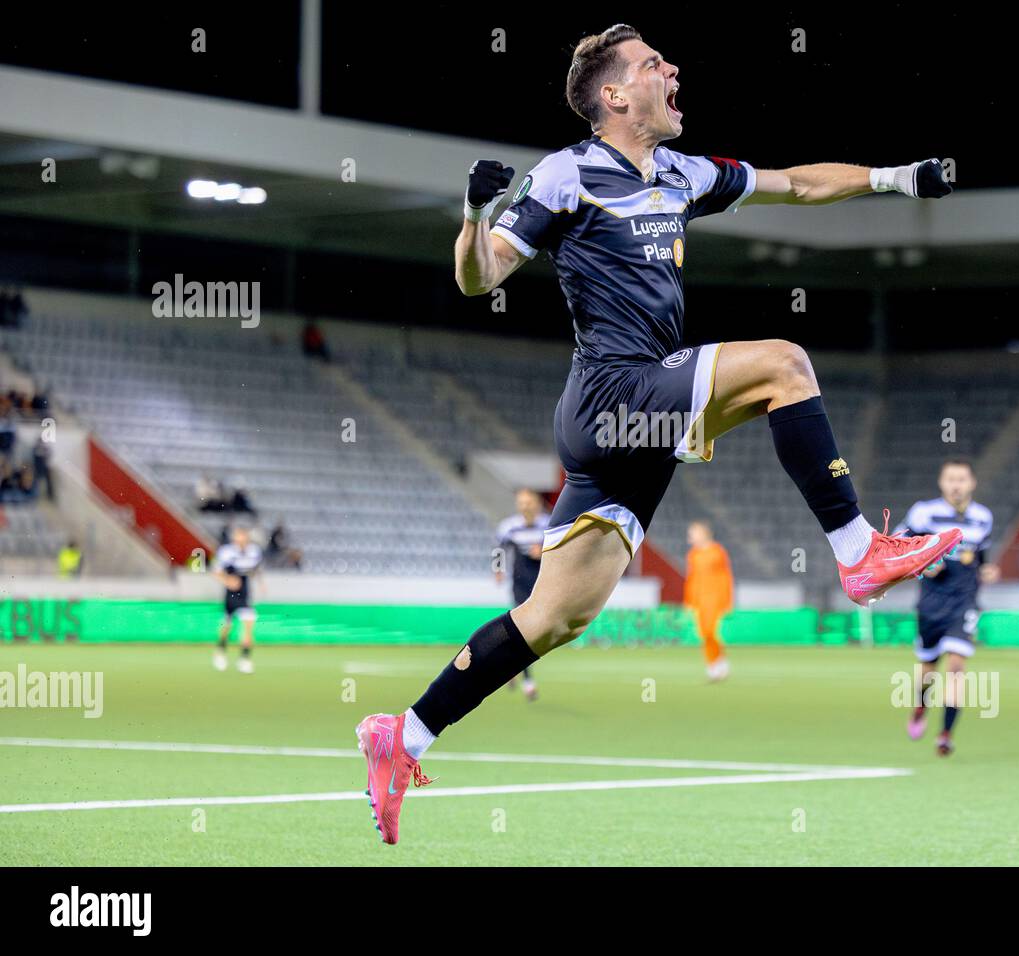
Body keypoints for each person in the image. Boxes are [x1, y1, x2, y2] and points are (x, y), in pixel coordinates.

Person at [355, 23, 962, 844]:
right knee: (786, 362)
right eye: (651, 64)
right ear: (613, 96)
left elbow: (798, 186)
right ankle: (856, 548)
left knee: (557, 616)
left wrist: (895, 177)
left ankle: (406, 733)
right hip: (615, 394)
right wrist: (472, 213)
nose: (671, 69)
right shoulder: (568, 172)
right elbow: (481, 276)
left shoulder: (681, 173)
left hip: (635, 416)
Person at [897, 460, 999, 757]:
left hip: (964, 601)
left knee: (956, 666)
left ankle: (945, 735)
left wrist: (988, 571)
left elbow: (981, 558)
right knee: (928, 668)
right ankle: (920, 707)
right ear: (942, 483)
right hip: (932, 602)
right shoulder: (924, 512)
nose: (957, 485)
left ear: (972, 483)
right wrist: (924, 564)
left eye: (962, 479)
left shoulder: (983, 517)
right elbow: (901, 543)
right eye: (951, 479)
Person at [494, 489, 550, 701]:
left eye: (528, 502)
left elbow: (561, 549)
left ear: (536, 504)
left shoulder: (548, 524)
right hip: (519, 583)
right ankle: (528, 681)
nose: (525, 506)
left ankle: (513, 666)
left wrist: (544, 550)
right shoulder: (509, 526)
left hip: (542, 584)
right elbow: (498, 549)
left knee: (534, 633)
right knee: (524, 632)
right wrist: (497, 570)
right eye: (521, 502)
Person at [683, 520, 733, 681]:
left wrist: (727, 599)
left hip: (715, 597)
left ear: (704, 533)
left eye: (693, 533)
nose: (690, 536)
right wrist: (689, 600)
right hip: (700, 599)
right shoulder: (693, 554)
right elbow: (691, 578)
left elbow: (726, 577)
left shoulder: (717, 552)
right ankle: (716, 664)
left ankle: (716, 665)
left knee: (711, 631)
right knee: (704, 633)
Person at [212, 524, 264, 674]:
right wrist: (228, 581)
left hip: (245, 591)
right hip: (231, 592)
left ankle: (245, 659)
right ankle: (220, 652)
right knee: (227, 626)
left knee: (248, 624)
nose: (240, 540)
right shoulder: (226, 552)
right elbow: (216, 572)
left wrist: (261, 584)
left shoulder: (254, 551)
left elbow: (255, 570)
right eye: (237, 537)